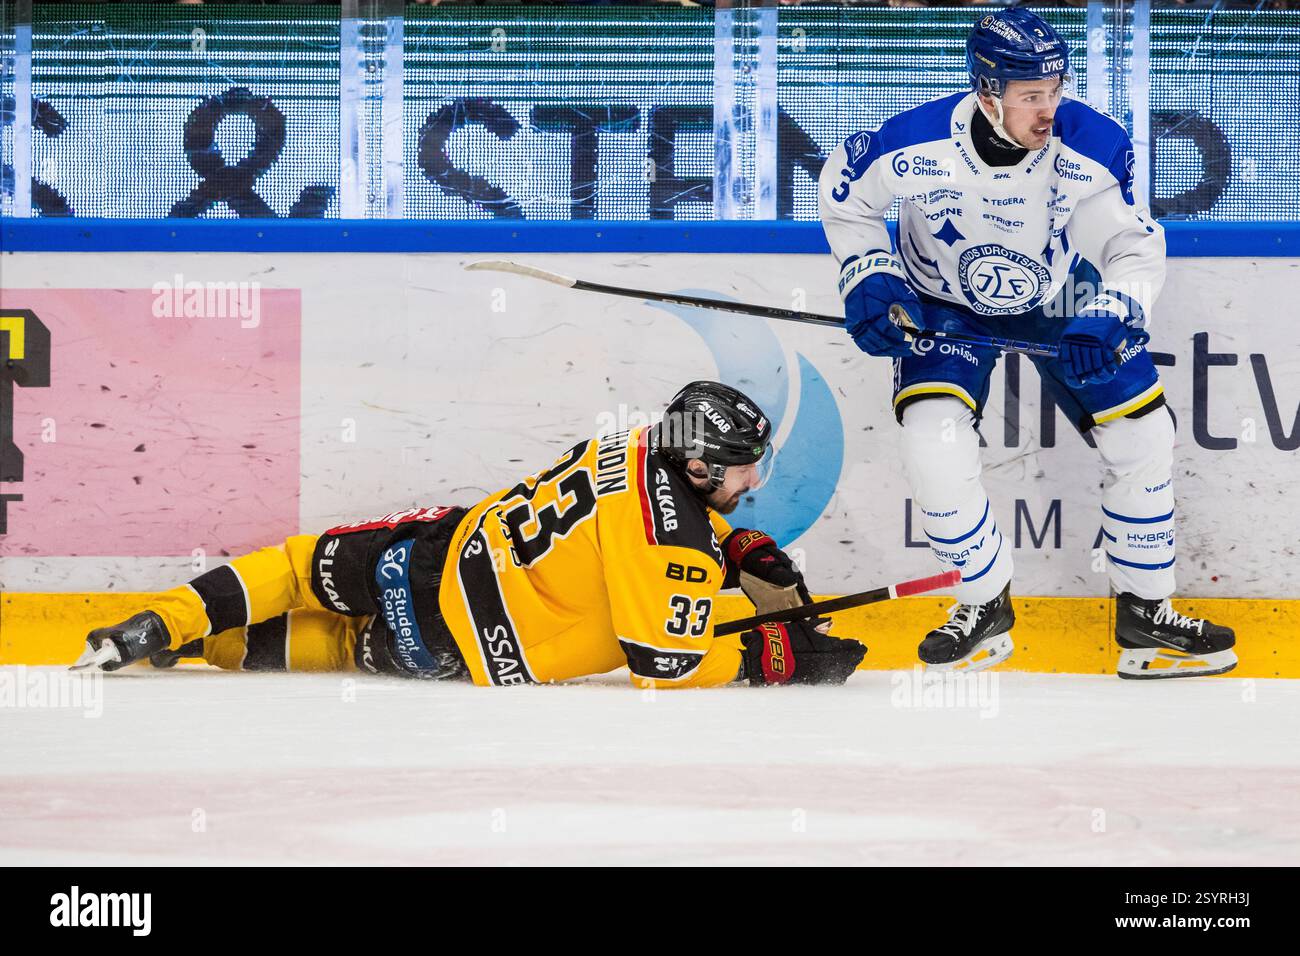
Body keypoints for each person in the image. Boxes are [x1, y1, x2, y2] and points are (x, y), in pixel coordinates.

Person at [817, 8, 1235, 679]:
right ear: (987, 93)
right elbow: (846, 198)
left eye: (1055, 90)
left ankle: (1148, 617)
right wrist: (869, 274)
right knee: (932, 441)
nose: (1048, 110)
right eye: (1030, 97)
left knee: (1143, 435)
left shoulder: (1090, 145)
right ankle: (983, 605)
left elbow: (1129, 247)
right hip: (945, 306)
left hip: (1061, 295)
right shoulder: (913, 142)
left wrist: (1111, 311)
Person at [74, 381, 867, 688]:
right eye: (740, 468)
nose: (752, 481)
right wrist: (776, 656)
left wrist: (730, 548)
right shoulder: (677, 551)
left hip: (430, 557)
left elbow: (623, 531)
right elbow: (664, 662)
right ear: (697, 467)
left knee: (296, 568)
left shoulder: (626, 443)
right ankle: (198, 650)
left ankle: (163, 625)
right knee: (345, 648)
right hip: (462, 649)